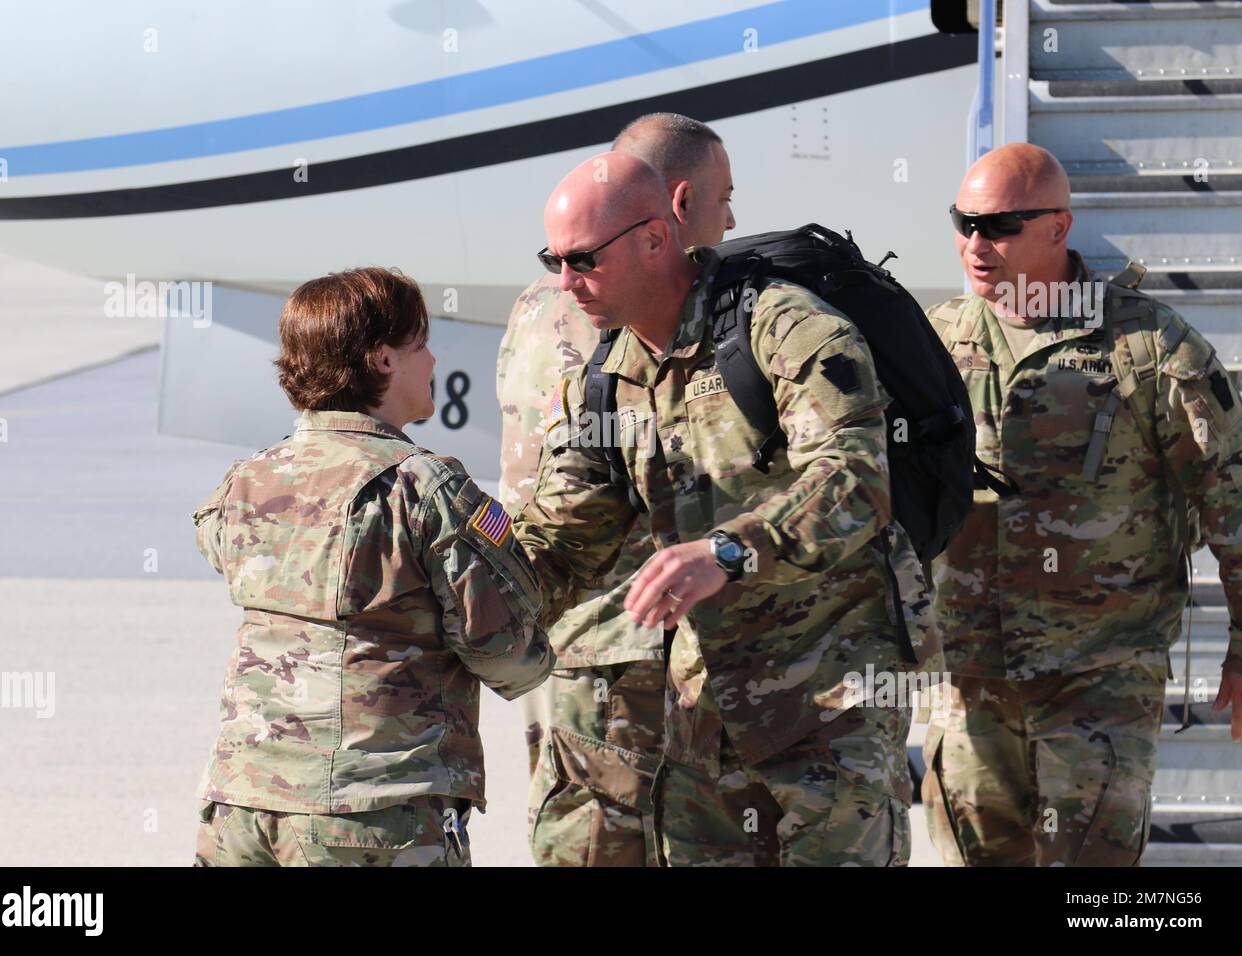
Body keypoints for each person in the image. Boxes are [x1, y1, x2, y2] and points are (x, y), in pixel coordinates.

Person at [512, 153, 941, 866]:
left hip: (828, 710)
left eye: (583, 258)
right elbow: (566, 538)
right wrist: (455, 580)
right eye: (553, 259)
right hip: (700, 721)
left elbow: (855, 483)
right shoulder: (605, 378)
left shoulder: (784, 329)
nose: (565, 282)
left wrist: (727, 552)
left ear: (655, 239)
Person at [923, 143, 1242, 866]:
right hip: (969, 681)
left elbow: (1234, 496)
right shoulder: (935, 344)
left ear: (1058, 227)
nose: (976, 245)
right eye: (964, 222)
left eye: (1001, 225)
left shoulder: (1149, 346)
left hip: (1097, 680)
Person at [192, 266, 553, 867]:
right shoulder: (424, 487)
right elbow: (505, 653)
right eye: (421, 344)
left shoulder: (247, 481)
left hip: (242, 808)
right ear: (383, 360)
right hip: (373, 814)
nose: (434, 360)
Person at [497, 113, 736, 867]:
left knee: (582, 841)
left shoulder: (537, 305)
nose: (734, 219)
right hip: (653, 641)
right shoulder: (686, 314)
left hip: (562, 636)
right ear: (678, 203)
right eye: (725, 199)